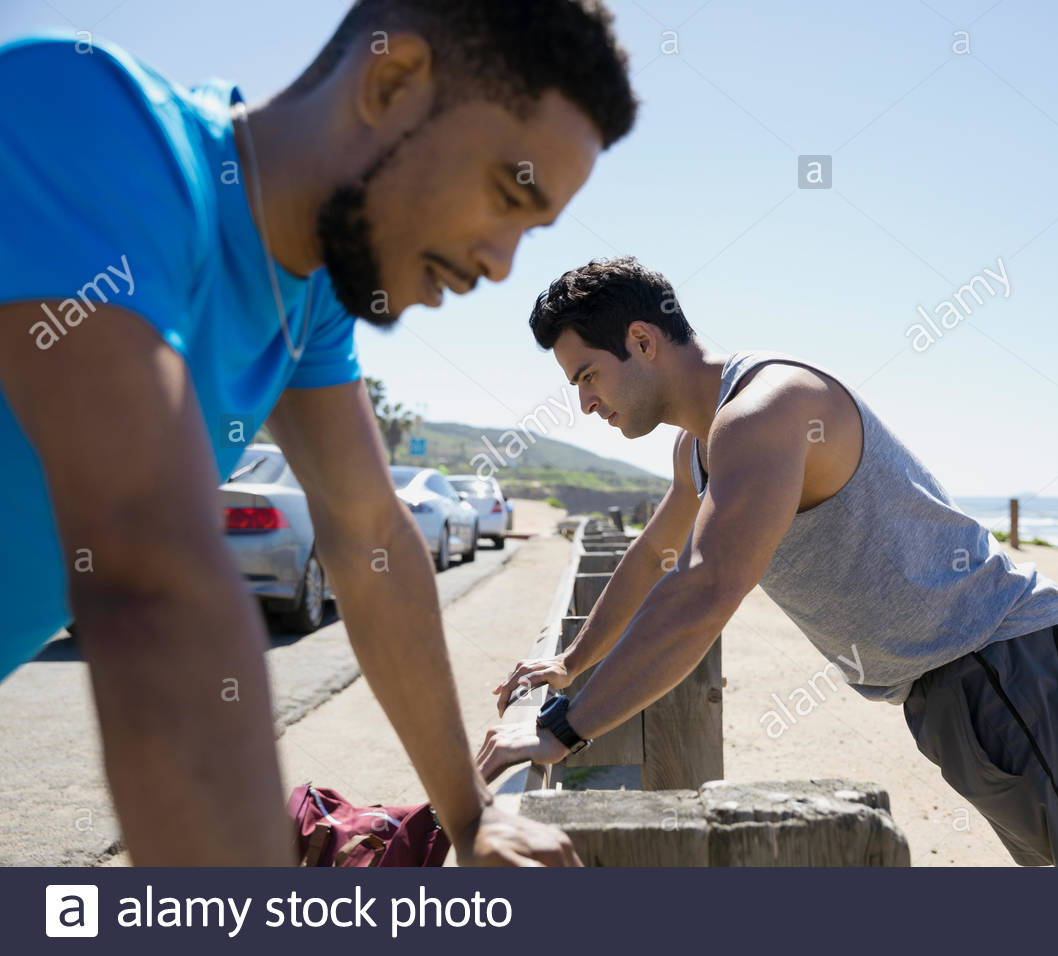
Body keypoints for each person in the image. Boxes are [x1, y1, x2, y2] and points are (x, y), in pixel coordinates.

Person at [0, 0, 637, 866]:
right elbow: (154, 583)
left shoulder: (307, 300)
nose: (500, 261)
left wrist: (472, 814)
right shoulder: (88, 113)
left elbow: (371, 535)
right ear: (392, 79)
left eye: (533, 230)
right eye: (506, 194)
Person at [479, 257, 1058, 867]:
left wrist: (561, 729)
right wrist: (570, 662)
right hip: (943, 689)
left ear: (641, 339)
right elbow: (654, 555)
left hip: (1006, 661)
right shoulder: (699, 444)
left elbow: (705, 588)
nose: (584, 402)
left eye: (588, 375)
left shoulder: (765, 410)